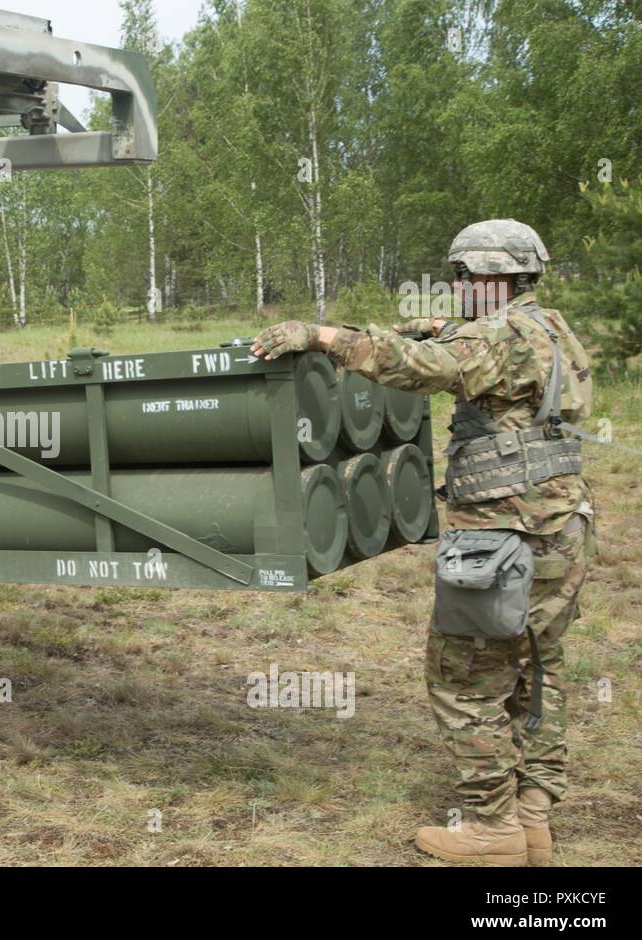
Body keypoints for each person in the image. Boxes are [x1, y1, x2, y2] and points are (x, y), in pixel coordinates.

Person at [250, 219, 594, 866]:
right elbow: (471, 350)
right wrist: (433, 329)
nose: (456, 287)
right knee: (538, 668)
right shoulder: (550, 328)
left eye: (464, 276)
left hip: (503, 535)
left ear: (494, 278)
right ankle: (534, 816)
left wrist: (324, 336)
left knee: (462, 676)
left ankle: (491, 827)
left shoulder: (494, 339)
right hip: (564, 527)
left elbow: (419, 368)